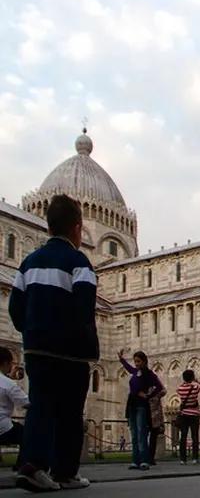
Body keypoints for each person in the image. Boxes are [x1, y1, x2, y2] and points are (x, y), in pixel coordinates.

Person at [8, 195, 97, 492]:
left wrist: (33, 331)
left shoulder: (28, 262)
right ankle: (64, 472)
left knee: (41, 406)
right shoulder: (79, 261)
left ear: (47, 227)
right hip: (70, 353)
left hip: (37, 349)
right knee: (70, 412)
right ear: (77, 228)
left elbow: (15, 308)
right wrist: (75, 338)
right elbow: (85, 307)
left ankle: (31, 466)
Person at [118, 348, 164, 471]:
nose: (136, 364)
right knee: (133, 434)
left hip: (141, 405)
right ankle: (135, 460)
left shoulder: (149, 374)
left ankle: (144, 460)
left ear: (144, 361)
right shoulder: (135, 372)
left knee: (141, 432)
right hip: (132, 404)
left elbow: (159, 387)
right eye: (135, 361)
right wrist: (121, 359)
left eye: (138, 361)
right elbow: (128, 368)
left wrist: (148, 395)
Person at [0, 347, 29, 469]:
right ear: (6, 363)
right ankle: (21, 466)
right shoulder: (8, 384)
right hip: (2, 427)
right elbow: (26, 403)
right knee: (27, 434)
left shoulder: (7, 382)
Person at [175, 369, 200, 464]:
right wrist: (196, 380)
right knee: (194, 436)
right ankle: (195, 458)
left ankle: (182, 459)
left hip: (184, 414)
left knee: (183, 436)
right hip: (194, 414)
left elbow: (178, 391)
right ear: (192, 377)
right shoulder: (195, 387)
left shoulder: (180, 388)